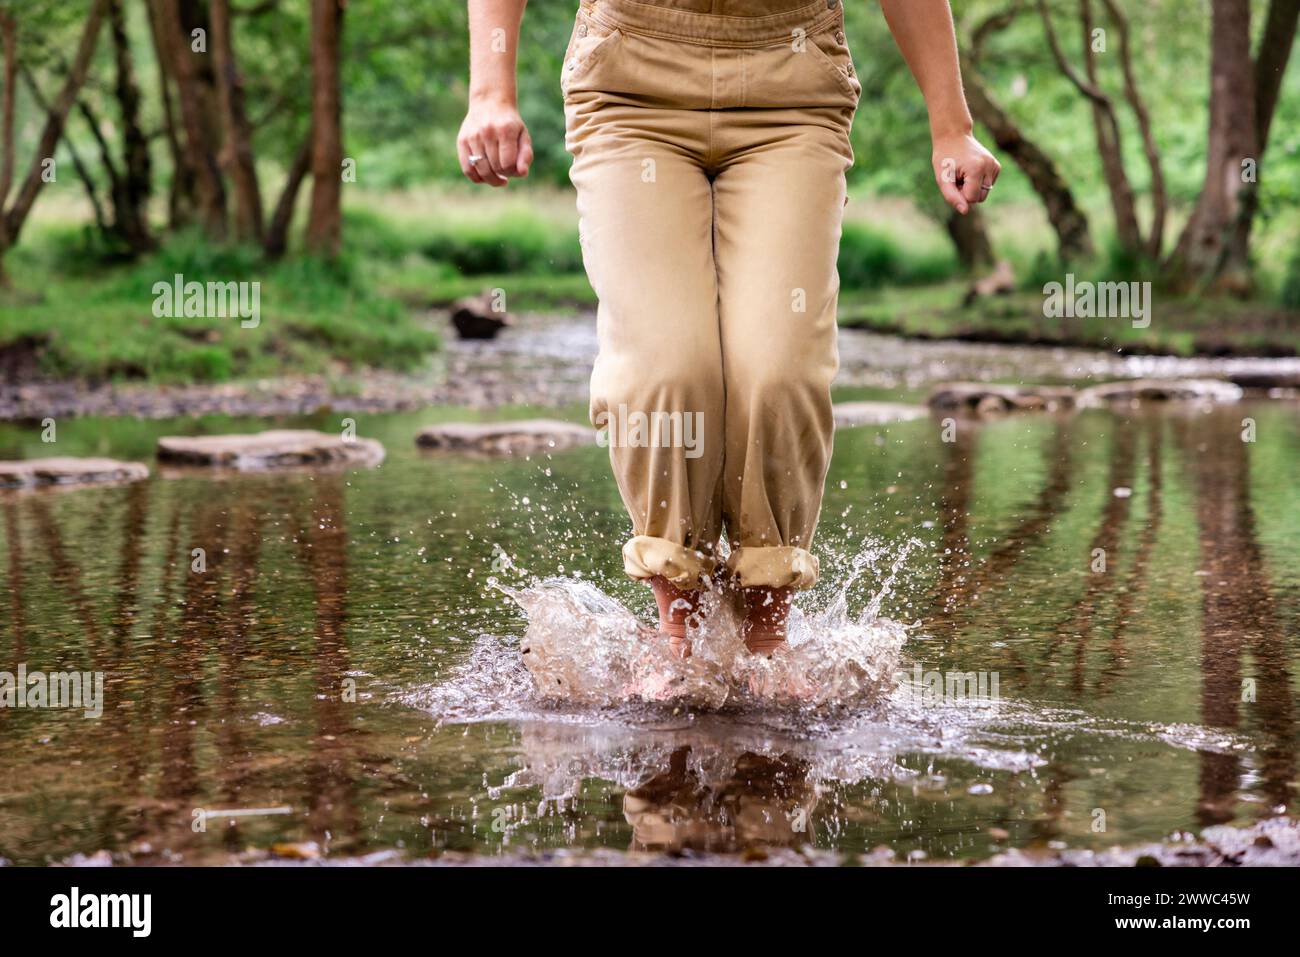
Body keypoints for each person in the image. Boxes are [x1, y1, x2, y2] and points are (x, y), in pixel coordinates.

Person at [459, 0, 999, 658]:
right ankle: (678, 632)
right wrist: (490, 91)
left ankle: (766, 631)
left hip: (791, 85)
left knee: (778, 368)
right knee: (667, 368)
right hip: (632, 80)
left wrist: (952, 125)